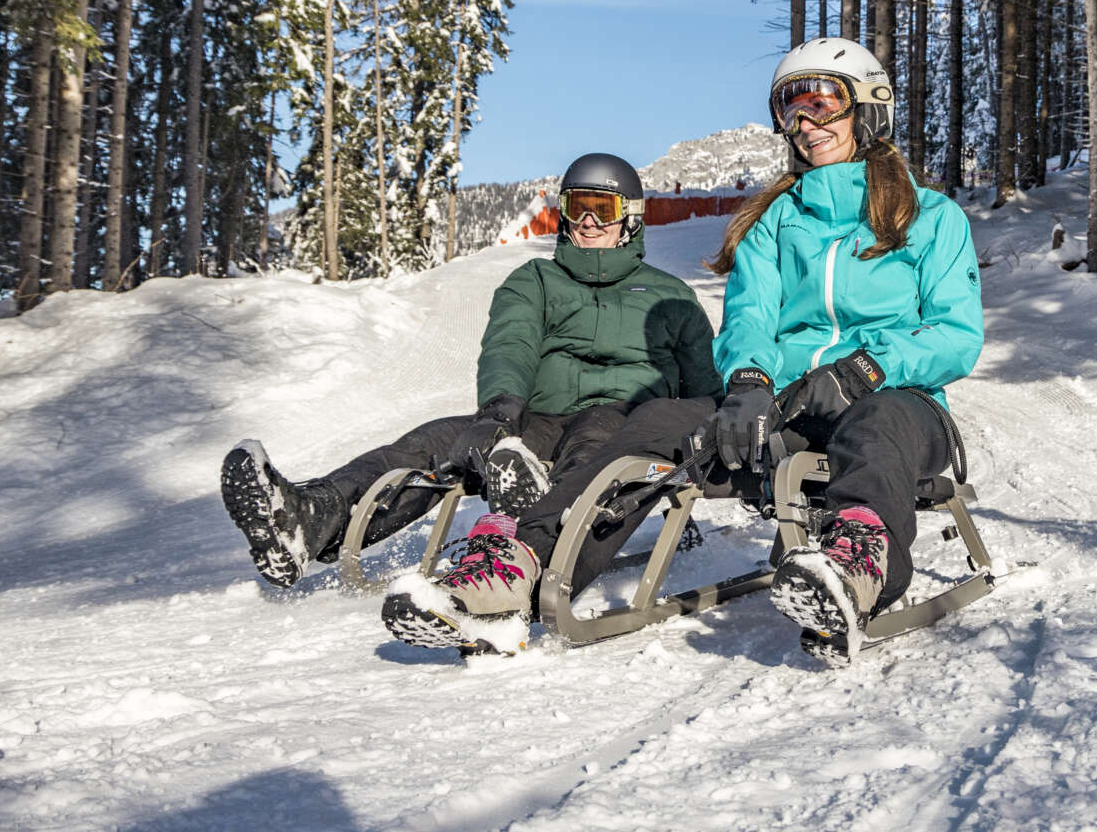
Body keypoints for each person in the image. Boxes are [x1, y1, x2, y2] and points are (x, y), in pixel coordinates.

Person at [217, 153, 720, 649]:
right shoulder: (536, 281)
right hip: (537, 416)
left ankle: (521, 560)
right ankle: (309, 517)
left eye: (602, 210)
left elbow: (703, 389)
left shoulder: (670, 296)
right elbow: (511, 344)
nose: (587, 222)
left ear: (629, 219)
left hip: (620, 420)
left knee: (593, 447)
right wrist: (498, 413)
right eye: (576, 207)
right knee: (438, 439)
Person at [706, 36, 984, 664]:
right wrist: (749, 380)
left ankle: (859, 561)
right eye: (790, 110)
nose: (806, 125)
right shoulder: (774, 223)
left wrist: (865, 369)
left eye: (823, 104)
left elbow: (955, 334)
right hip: (794, 404)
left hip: (901, 405)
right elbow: (750, 316)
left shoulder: (931, 217)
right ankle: (525, 548)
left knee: (876, 423)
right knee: (679, 422)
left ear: (868, 109)